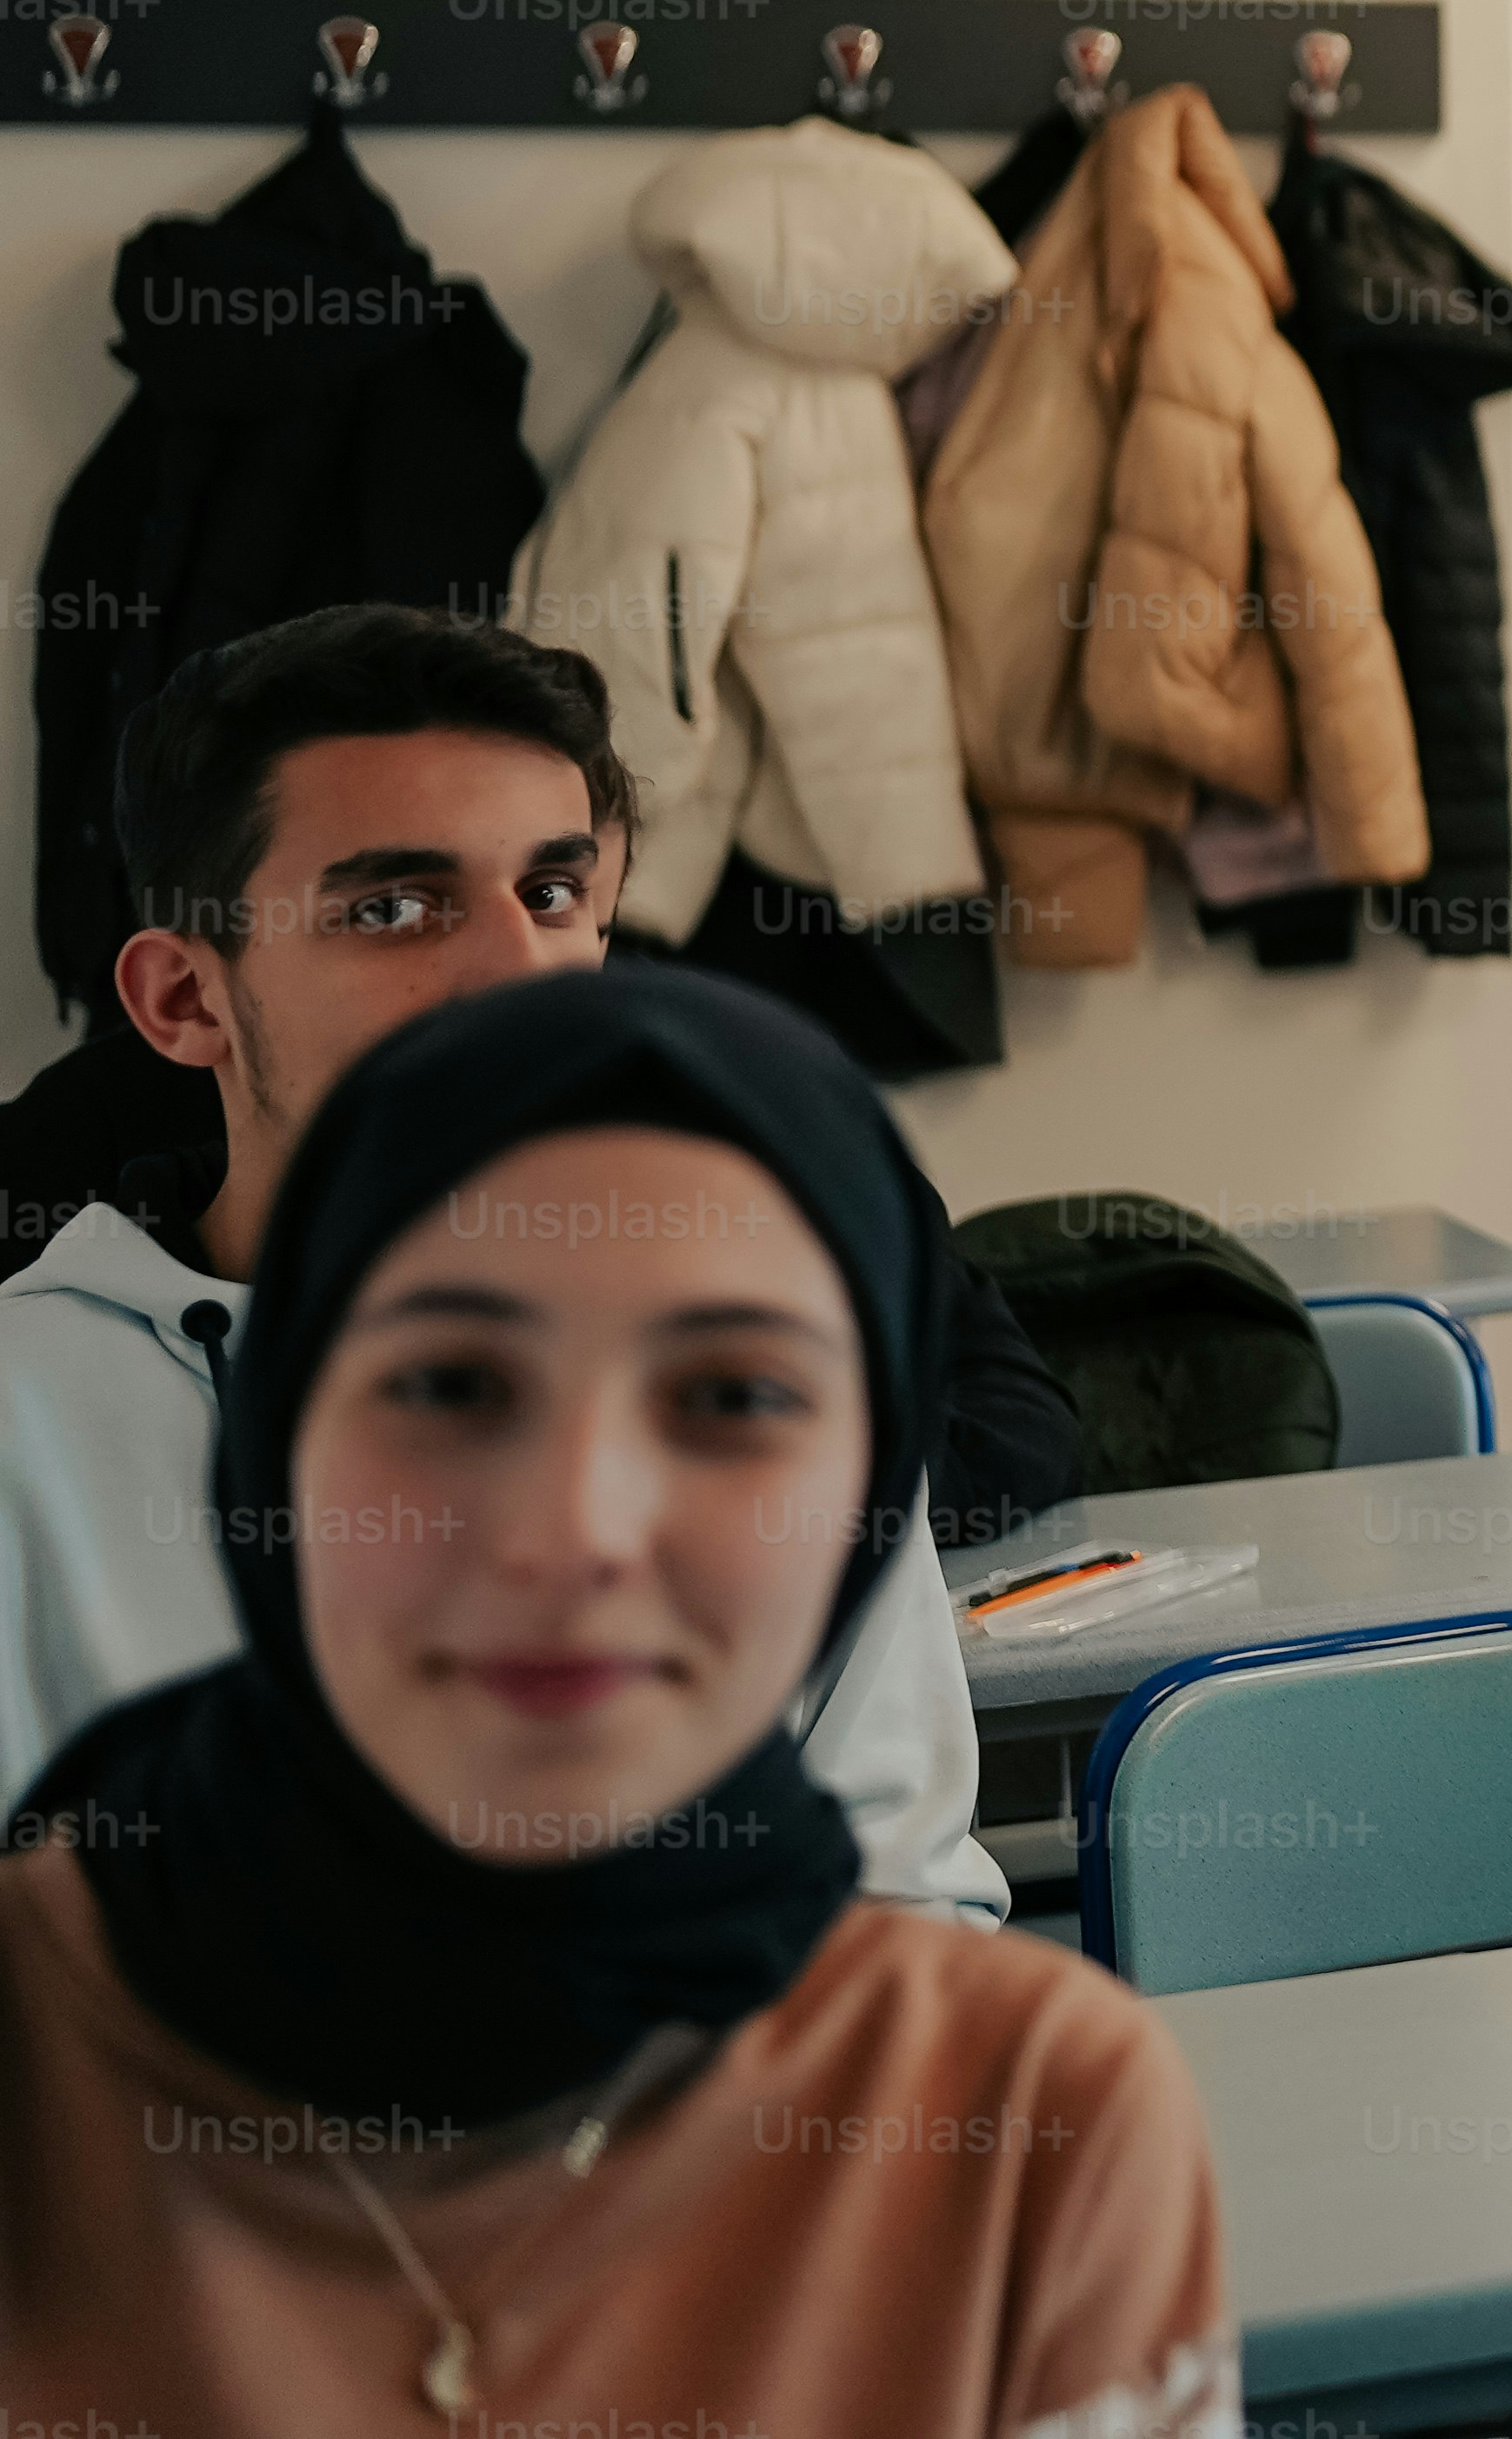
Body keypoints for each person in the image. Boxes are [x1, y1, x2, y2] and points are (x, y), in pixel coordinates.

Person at [0, 962, 1229, 2431]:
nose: (573, 1529)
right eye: (454, 1385)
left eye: (731, 1401)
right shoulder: (39, 2061)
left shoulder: (1029, 2115)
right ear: (276, 1441)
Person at [0, 609, 1024, 1912]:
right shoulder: (24, 1420)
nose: (519, 968)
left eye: (552, 893)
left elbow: (904, 1913)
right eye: (396, 905)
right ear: (185, 1001)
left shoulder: (766, 1364)